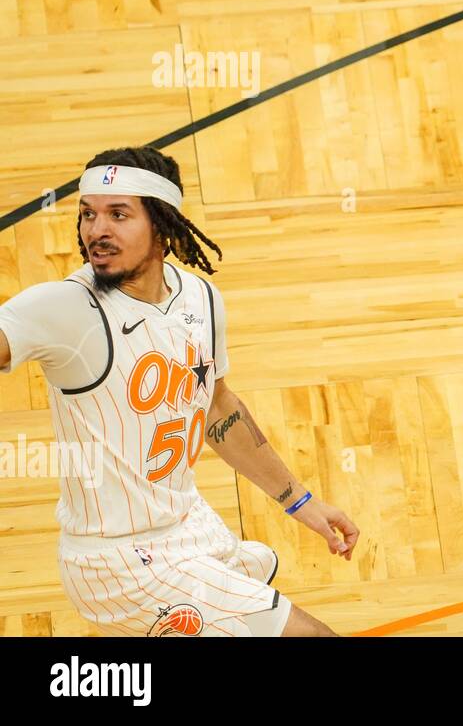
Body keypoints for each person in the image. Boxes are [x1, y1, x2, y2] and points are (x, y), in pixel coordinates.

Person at [0, 146, 358, 636]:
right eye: (88, 214)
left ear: (163, 226)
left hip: (188, 524)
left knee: (262, 581)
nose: (96, 231)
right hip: (119, 562)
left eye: (118, 214)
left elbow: (216, 407)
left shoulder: (200, 298)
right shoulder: (65, 309)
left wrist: (300, 501)